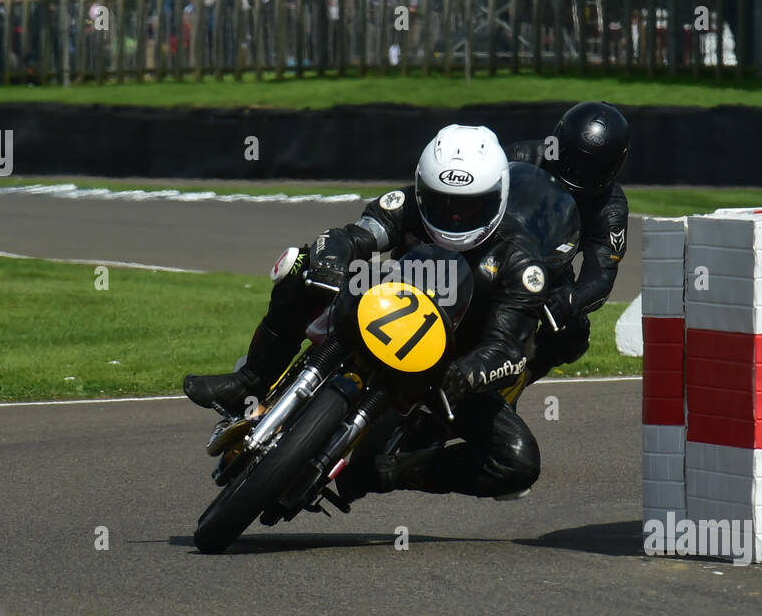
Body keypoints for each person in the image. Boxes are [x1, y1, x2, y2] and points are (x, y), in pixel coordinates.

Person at [183, 125, 549, 500]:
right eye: (443, 203)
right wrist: (332, 258)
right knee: (300, 266)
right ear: (423, 189)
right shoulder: (404, 206)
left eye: (470, 206)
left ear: (499, 197)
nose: (454, 218)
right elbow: (353, 236)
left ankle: (384, 474)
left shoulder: (520, 261)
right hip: (380, 307)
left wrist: (467, 374)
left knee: (518, 462)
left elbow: (508, 347)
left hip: (446, 367)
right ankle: (250, 382)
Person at [503, 101, 630, 394]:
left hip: (548, 272)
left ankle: (513, 384)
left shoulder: (610, 208)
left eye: (591, 167)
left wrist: (571, 300)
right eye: (571, 158)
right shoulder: (521, 157)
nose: (578, 172)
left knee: (573, 333)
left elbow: (602, 271)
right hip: (491, 248)